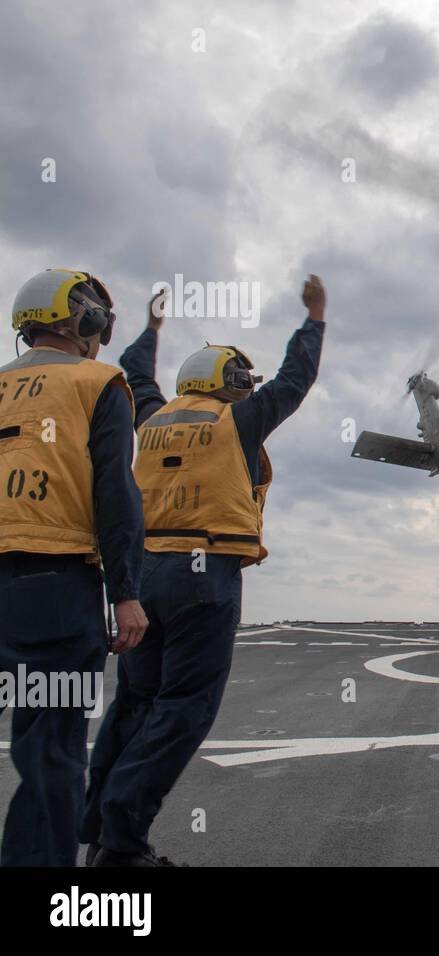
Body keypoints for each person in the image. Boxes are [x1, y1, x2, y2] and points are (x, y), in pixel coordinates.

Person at [80, 276, 327, 867]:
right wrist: (315, 318)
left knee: (135, 703)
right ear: (228, 381)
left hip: (141, 578)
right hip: (202, 574)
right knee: (185, 707)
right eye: (243, 379)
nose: (250, 387)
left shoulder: (152, 415)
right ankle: (123, 840)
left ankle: (98, 833)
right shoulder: (235, 421)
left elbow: (136, 373)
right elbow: (296, 381)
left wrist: (151, 328)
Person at [0, 269, 147, 866]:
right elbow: (115, 493)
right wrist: (127, 593)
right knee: (52, 756)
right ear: (83, 319)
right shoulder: (98, 382)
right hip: (52, 593)